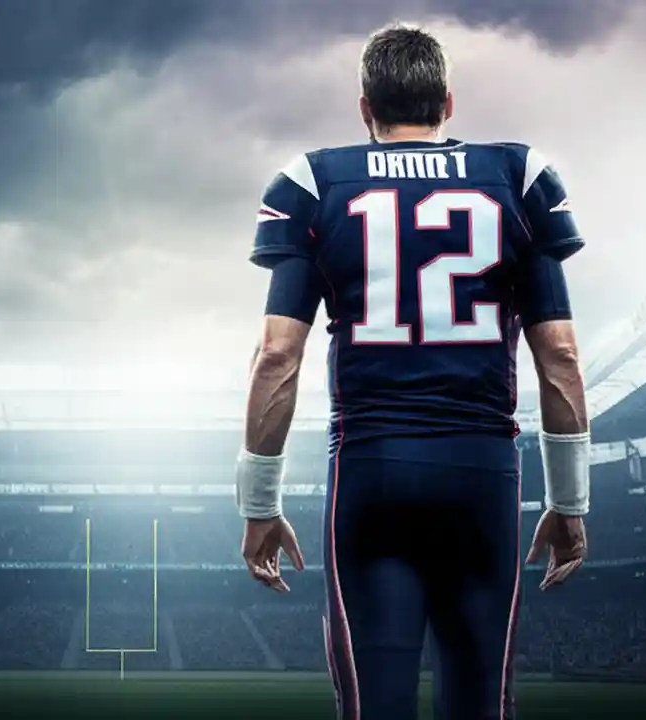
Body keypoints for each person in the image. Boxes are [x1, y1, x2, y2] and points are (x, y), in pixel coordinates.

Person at [235, 24, 590, 720]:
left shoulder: (314, 182)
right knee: (481, 702)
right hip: (483, 471)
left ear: (364, 107)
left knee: (376, 704)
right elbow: (561, 357)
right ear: (447, 103)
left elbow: (278, 355)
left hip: (374, 470)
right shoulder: (519, 177)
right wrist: (571, 498)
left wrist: (258, 504)